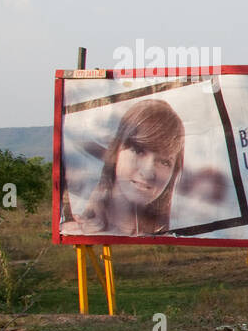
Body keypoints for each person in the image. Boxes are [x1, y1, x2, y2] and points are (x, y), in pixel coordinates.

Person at [61, 99, 185, 236]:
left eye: (164, 162)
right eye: (138, 151)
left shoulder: (167, 236)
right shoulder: (74, 229)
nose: (148, 172)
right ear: (116, 151)